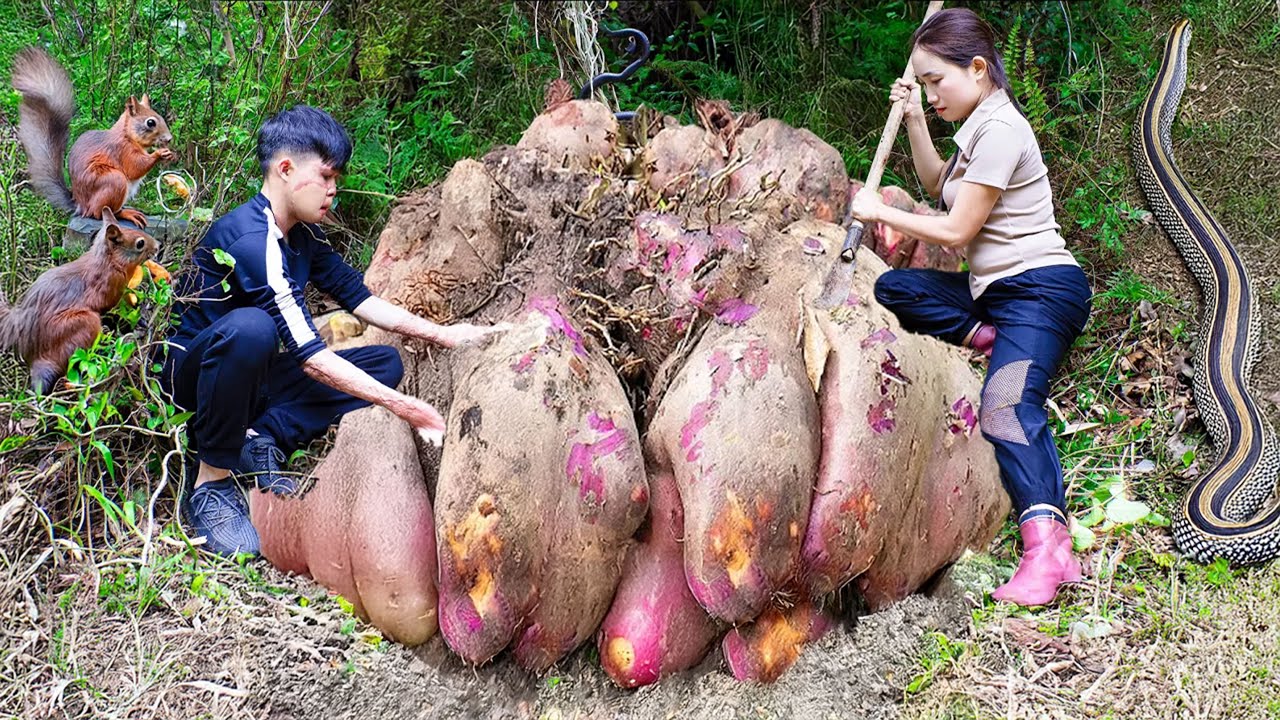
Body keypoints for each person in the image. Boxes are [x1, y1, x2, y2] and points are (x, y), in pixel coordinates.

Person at [163, 105, 505, 557]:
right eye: (325, 176)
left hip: (251, 378)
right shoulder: (249, 237)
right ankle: (211, 481)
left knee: (384, 363)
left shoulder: (302, 236)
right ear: (286, 169)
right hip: (194, 382)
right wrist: (408, 408)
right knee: (253, 328)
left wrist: (447, 335)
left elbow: (360, 299)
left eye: (336, 179)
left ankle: (258, 437)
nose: (332, 190)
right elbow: (309, 355)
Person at [849, 8, 1092, 606]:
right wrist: (914, 119)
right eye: (923, 83)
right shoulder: (977, 128)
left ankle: (1050, 553)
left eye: (937, 81)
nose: (932, 93)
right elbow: (939, 186)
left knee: (1005, 407)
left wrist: (879, 211)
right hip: (995, 296)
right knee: (896, 290)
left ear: (978, 69)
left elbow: (957, 229)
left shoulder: (1002, 130)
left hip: (1040, 290)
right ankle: (998, 343)